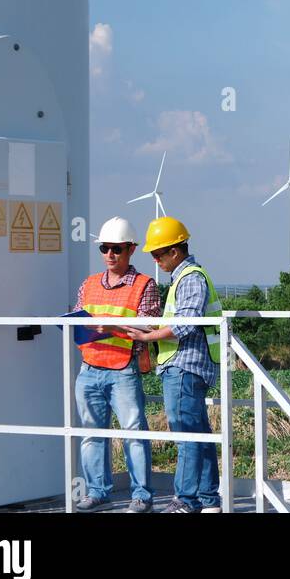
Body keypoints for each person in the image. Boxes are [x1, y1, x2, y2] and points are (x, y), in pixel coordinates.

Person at [125, 216, 223, 513]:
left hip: (185, 366)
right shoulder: (187, 276)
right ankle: (208, 499)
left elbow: (187, 320)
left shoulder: (190, 277)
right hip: (189, 366)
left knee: (185, 436)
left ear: (174, 251)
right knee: (198, 435)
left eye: (158, 254)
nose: (156, 261)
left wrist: (152, 334)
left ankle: (185, 500)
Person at [73, 216, 159, 513]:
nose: (110, 254)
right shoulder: (90, 284)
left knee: (134, 432)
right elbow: (78, 319)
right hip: (89, 367)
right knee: (91, 433)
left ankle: (142, 496)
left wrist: (110, 328)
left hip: (123, 369)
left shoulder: (145, 285)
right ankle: (97, 491)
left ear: (131, 250)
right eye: (105, 248)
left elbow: (148, 329)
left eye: (116, 249)